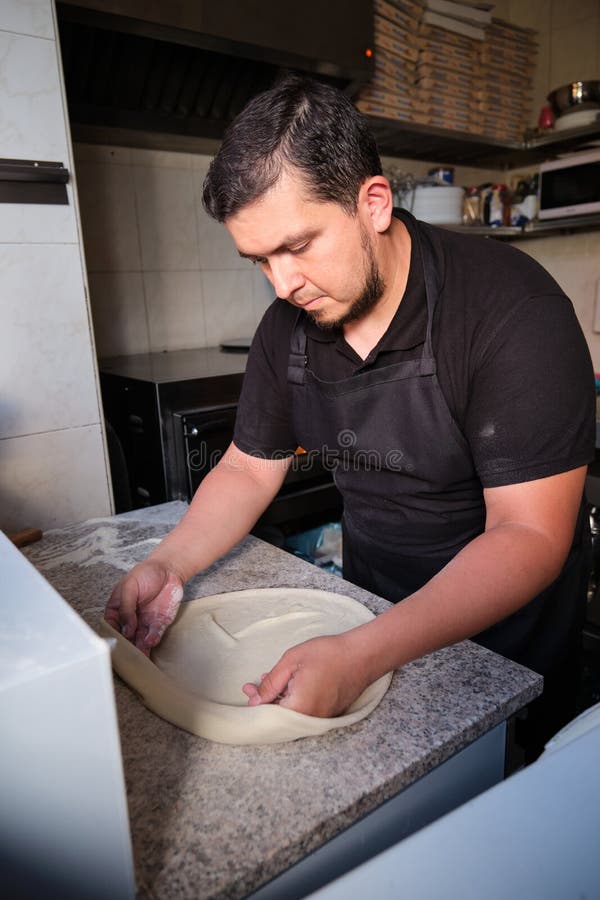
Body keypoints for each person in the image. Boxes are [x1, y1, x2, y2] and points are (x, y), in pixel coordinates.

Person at [105, 75, 595, 759]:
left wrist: (364, 652)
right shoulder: (289, 328)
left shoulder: (512, 313)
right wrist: (169, 564)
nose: (283, 286)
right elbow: (249, 468)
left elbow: (529, 536)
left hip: (502, 655)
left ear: (373, 203)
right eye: (260, 261)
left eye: (298, 246)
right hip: (367, 615)